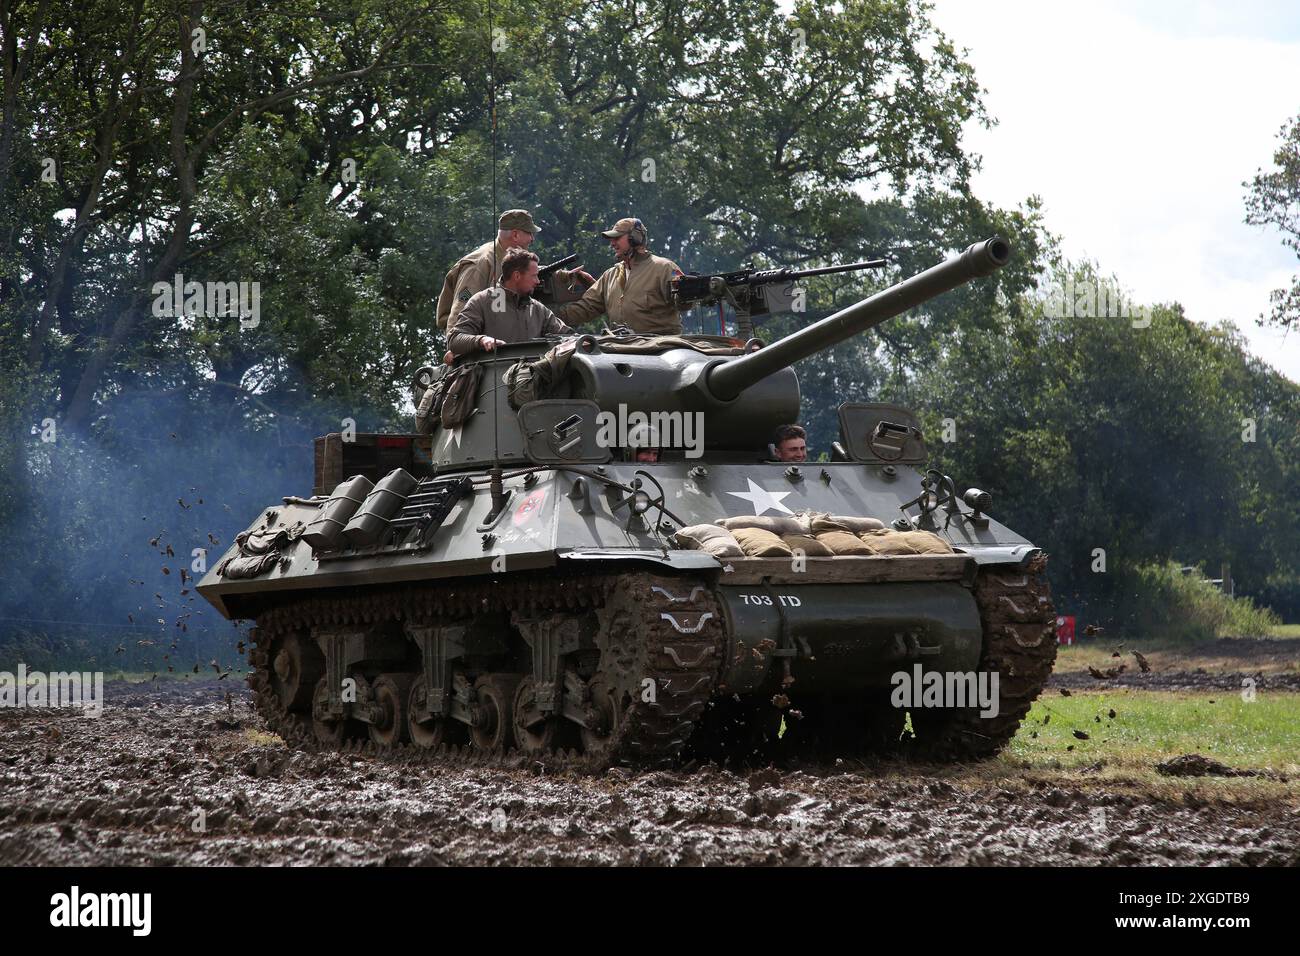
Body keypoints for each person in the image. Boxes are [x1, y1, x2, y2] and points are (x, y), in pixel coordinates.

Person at [556, 217, 685, 335]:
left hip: (660, 349)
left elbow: (684, 301)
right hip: (622, 349)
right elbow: (586, 307)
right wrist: (548, 318)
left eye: (617, 238)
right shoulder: (610, 276)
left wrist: (687, 291)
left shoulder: (664, 268)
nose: (612, 243)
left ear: (635, 238)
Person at [447, 249, 574, 356]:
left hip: (531, 378)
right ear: (517, 276)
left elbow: (567, 335)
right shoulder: (483, 301)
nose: (538, 281)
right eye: (534, 276)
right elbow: (455, 340)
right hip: (493, 379)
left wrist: (584, 341)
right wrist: (481, 340)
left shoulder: (538, 309)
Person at [436, 209, 539, 331]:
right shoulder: (480, 265)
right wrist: (456, 347)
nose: (532, 239)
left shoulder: (510, 262)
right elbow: (460, 312)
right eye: (529, 233)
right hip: (476, 342)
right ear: (515, 235)